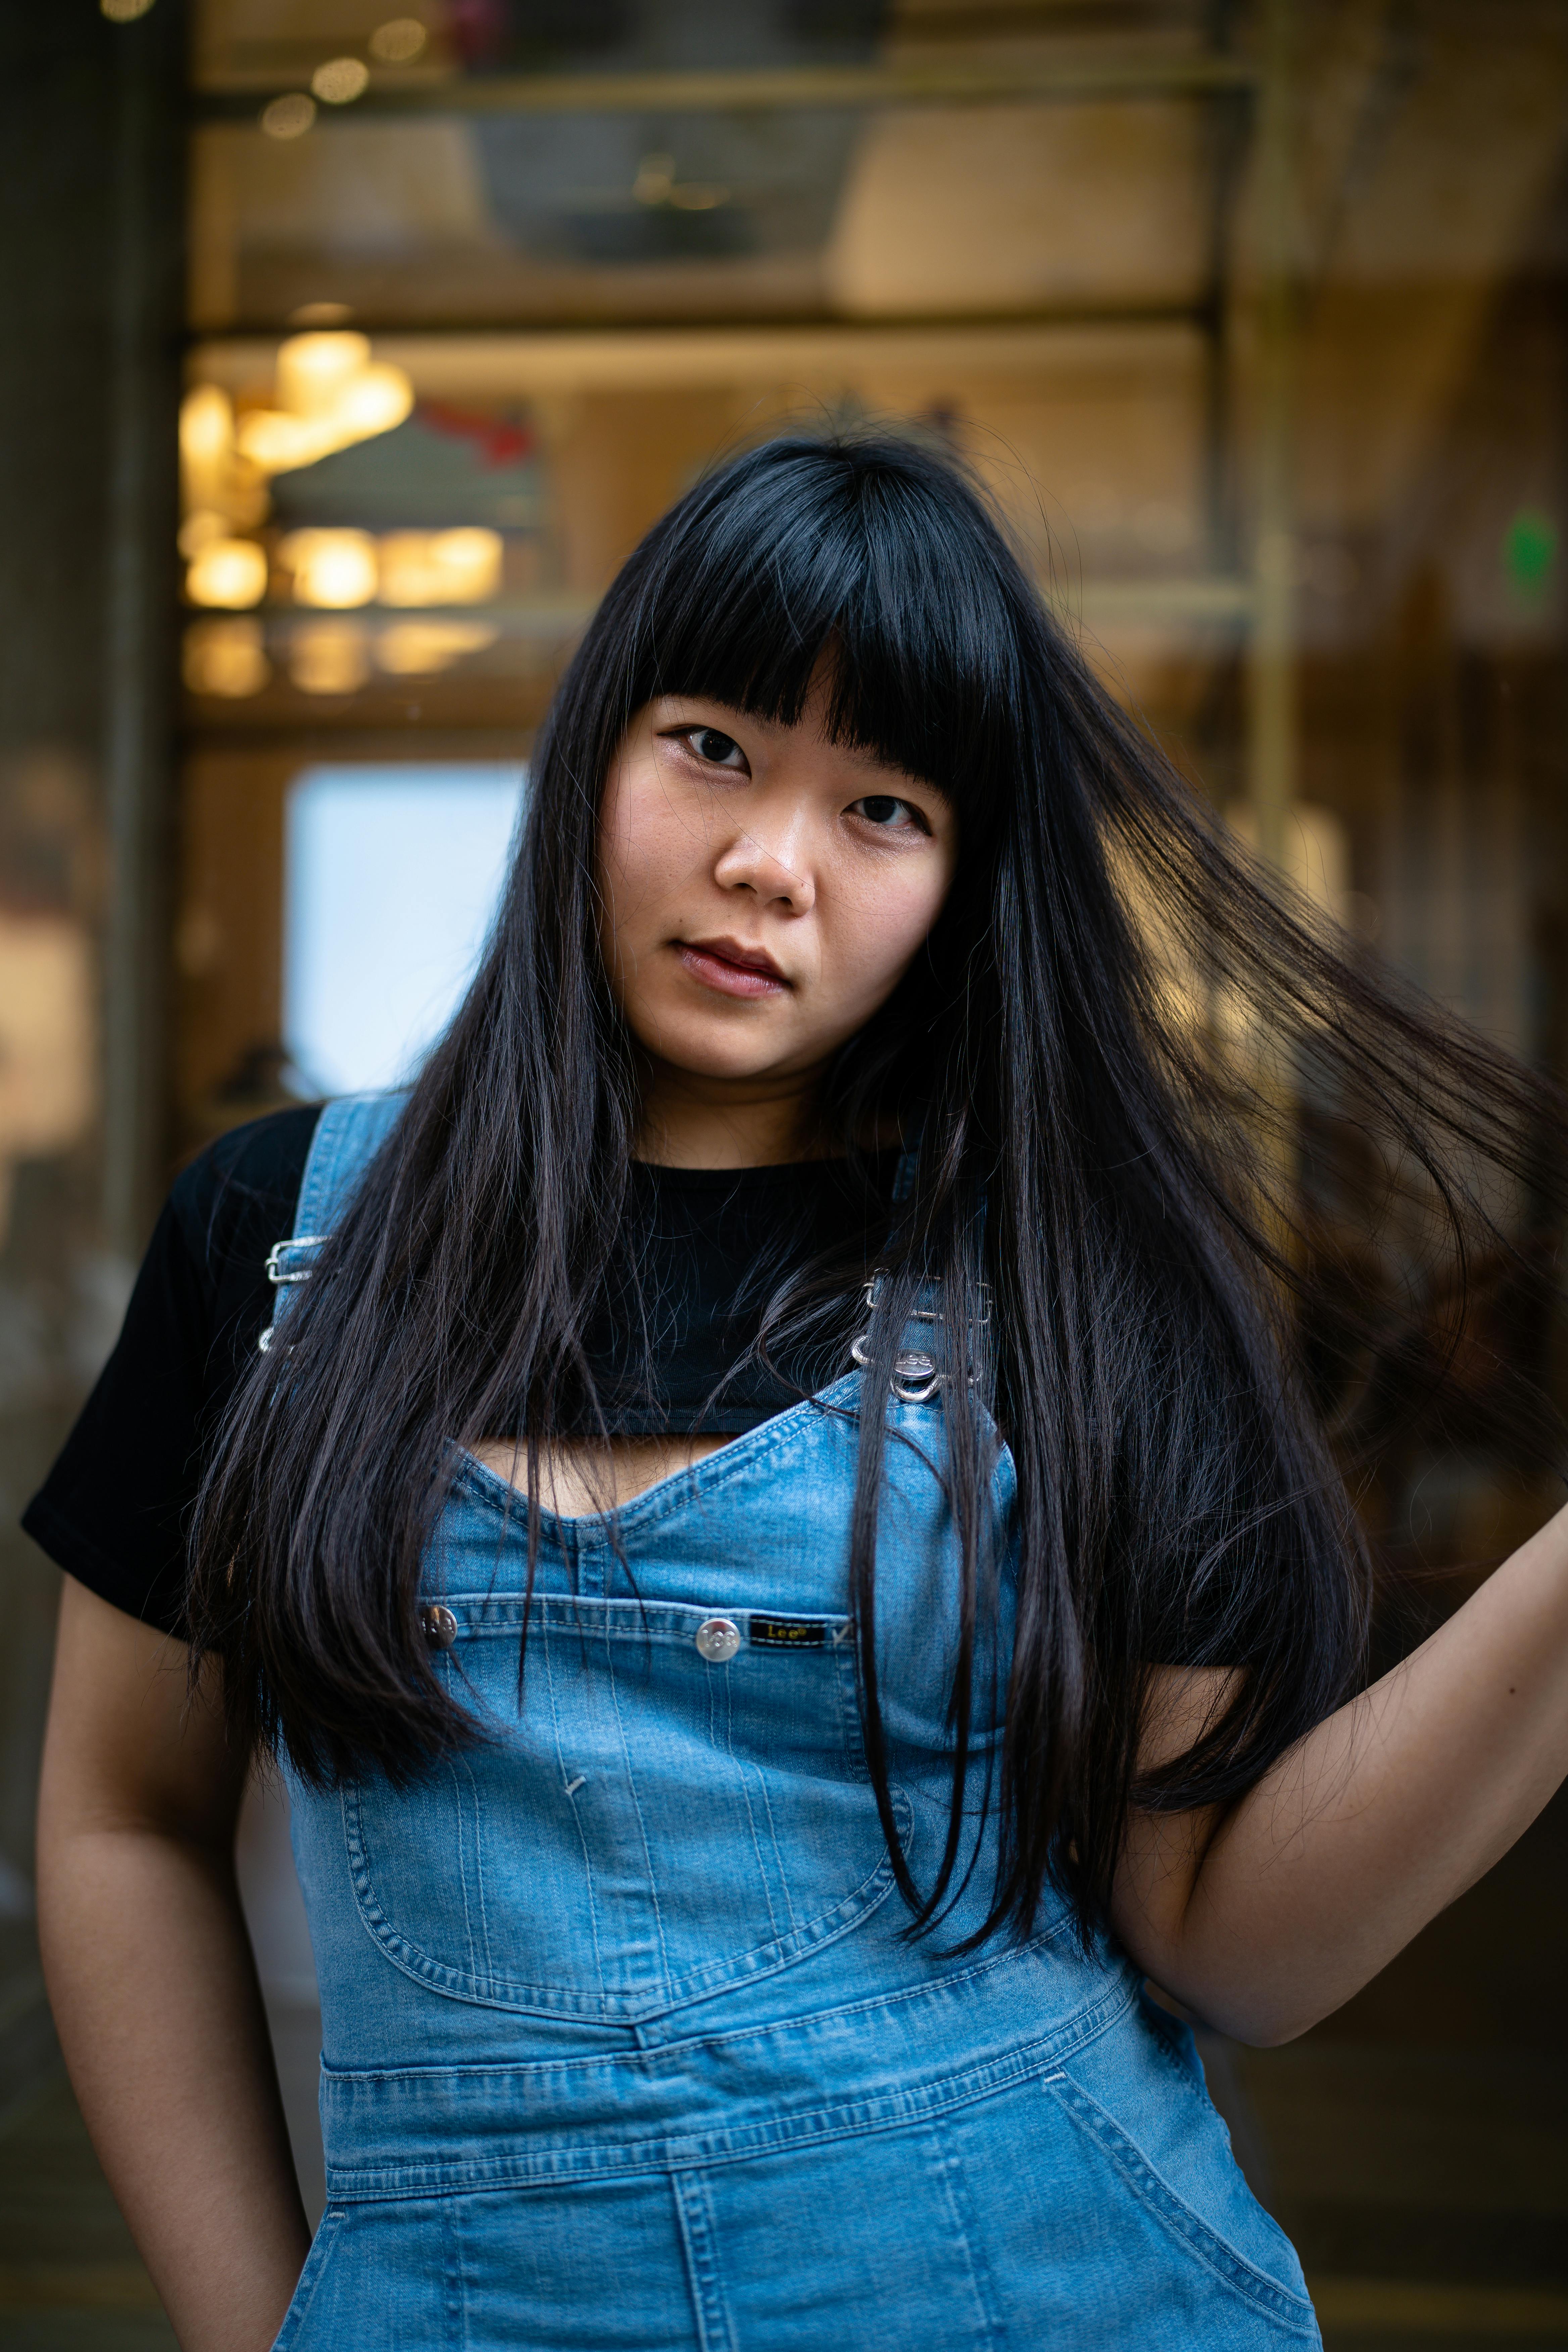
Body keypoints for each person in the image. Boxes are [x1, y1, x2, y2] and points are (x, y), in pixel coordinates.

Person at [27, 432, 1568, 2352]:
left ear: (964, 883)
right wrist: (262, 2327)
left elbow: (1233, 1949)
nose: (770, 863)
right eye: (716, 748)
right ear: (599, 746)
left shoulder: (1083, 1286)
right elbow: (121, 1817)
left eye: (888, 811)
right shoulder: (275, 1242)